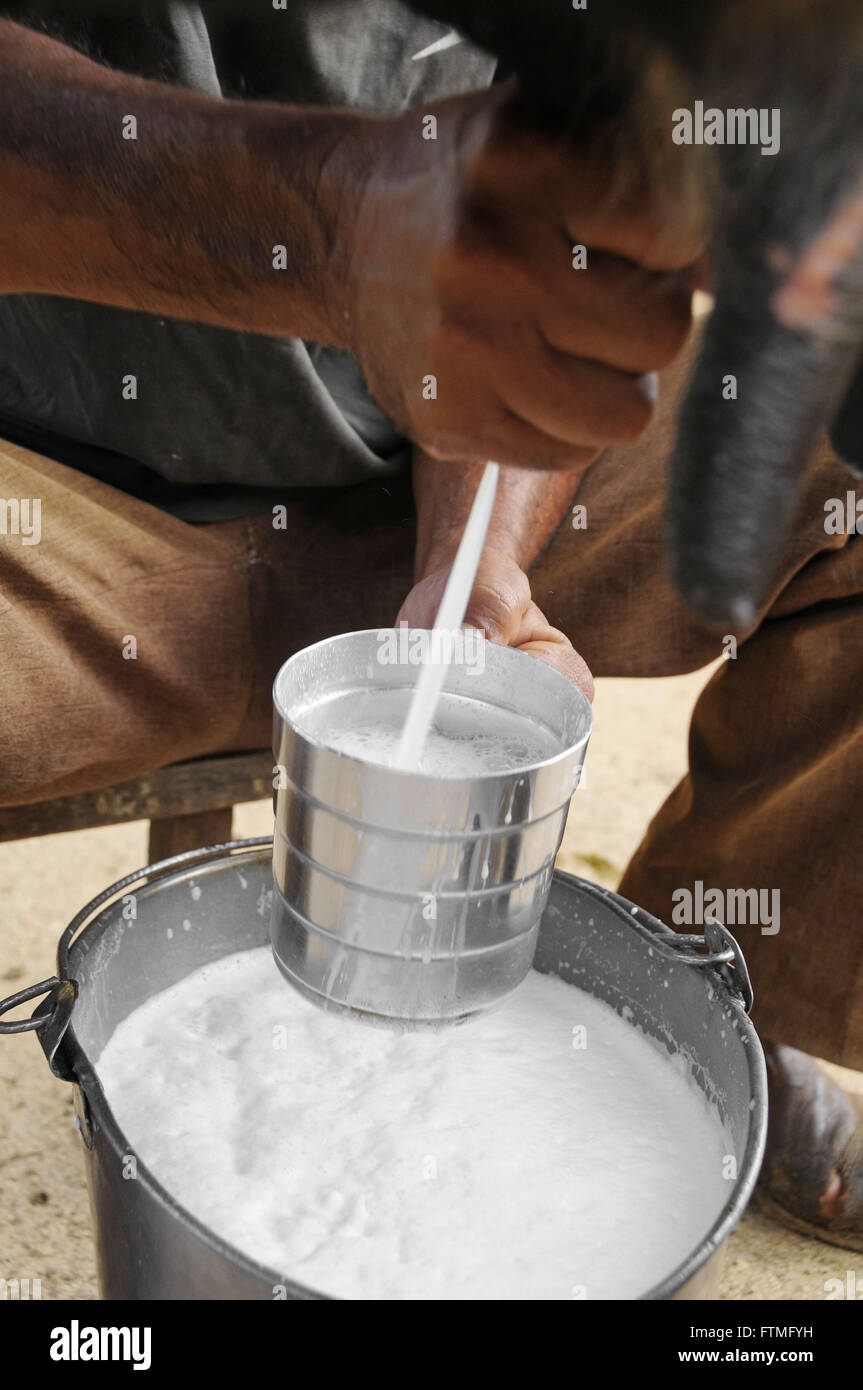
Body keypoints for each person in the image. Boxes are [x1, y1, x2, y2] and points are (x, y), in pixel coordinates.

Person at [0, 3, 860, 1251]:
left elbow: (577, 188)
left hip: (416, 489)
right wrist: (334, 226)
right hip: (56, 506)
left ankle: (721, 998)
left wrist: (474, 562)